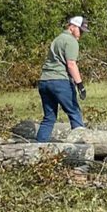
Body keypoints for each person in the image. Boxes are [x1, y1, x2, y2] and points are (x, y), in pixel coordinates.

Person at [36, 15, 89, 143]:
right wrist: (80, 85)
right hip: (60, 81)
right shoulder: (71, 41)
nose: (81, 34)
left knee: (49, 117)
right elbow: (71, 63)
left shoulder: (58, 39)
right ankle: (80, 146)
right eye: (80, 30)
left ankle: (37, 148)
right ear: (72, 27)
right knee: (74, 112)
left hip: (44, 81)